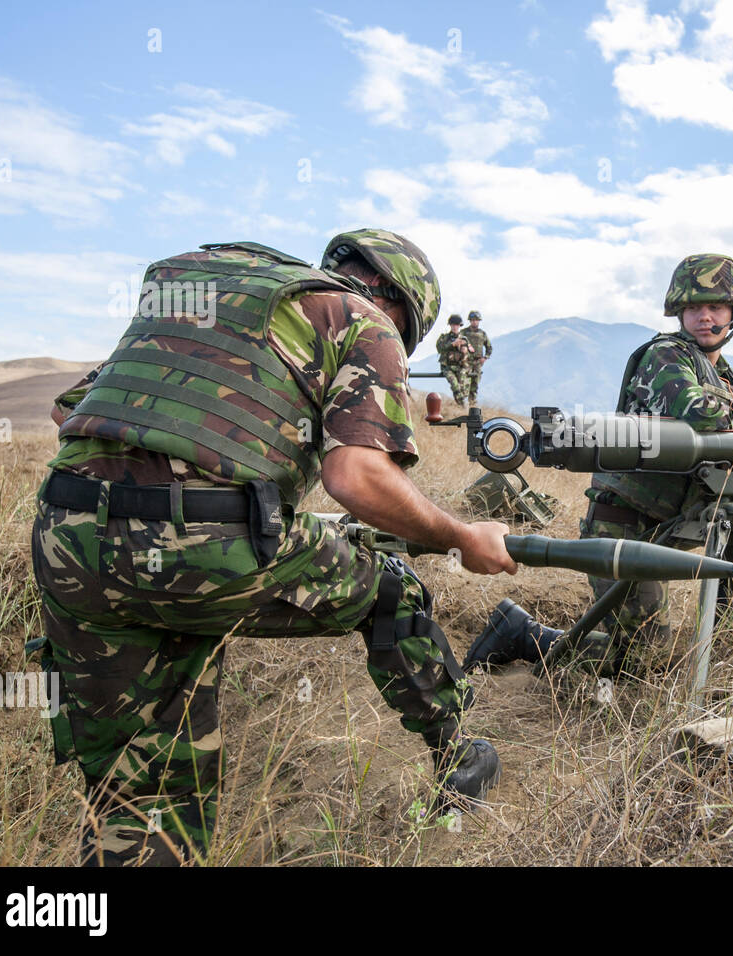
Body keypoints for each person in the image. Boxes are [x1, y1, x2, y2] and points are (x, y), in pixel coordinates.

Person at [32, 231, 514, 867]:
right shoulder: (364, 320)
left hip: (67, 539)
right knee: (390, 585)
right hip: (206, 549)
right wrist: (461, 536)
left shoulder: (227, 301)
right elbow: (356, 478)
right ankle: (457, 754)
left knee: (139, 792)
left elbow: (69, 412)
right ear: (401, 304)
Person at [465, 254, 733, 676]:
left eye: (715, 308)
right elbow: (703, 415)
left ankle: (721, 643)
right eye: (694, 308)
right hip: (622, 526)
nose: (704, 317)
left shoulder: (726, 376)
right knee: (644, 659)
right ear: (679, 313)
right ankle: (522, 632)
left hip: (665, 524)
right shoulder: (666, 356)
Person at [435, 313, 474, 406]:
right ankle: (462, 405)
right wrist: (452, 344)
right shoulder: (444, 338)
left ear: (459, 326)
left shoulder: (464, 339)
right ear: (450, 325)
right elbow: (440, 349)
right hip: (447, 367)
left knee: (463, 388)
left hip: (461, 367)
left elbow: (470, 354)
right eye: (453, 325)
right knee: (455, 385)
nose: (454, 327)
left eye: (456, 325)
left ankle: (461, 405)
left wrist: (465, 349)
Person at [460, 310, 492, 406]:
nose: (474, 322)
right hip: (466, 362)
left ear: (479, 321)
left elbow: (489, 347)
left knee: (475, 384)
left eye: (476, 320)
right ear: (470, 321)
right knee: (464, 382)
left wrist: (485, 358)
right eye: (473, 320)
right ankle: (460, 403)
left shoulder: (482, 334)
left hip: (477, 362)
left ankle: (472, 404)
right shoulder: (463, 332)